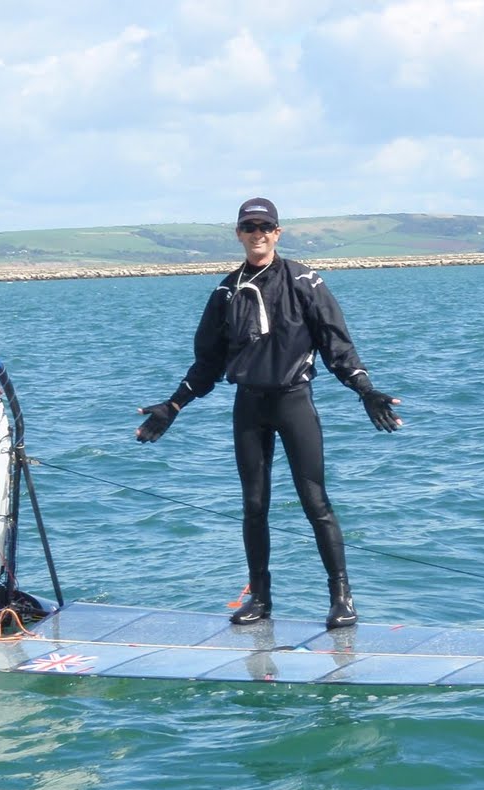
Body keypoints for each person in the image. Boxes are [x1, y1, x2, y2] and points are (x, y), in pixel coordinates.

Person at [135, 197, 402, 629]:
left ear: (278, 232)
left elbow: (337, 346)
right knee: (254, 505)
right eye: (248, 227)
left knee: (315, 502)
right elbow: (207, 362)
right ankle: (260, 598)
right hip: (249, 406)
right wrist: (174, 405)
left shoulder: (304, 282)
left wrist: (365, 390)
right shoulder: (225, 292)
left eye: (265, 227)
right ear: (238, 234)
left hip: (294, 400)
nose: (257, 234)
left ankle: (341, 598)